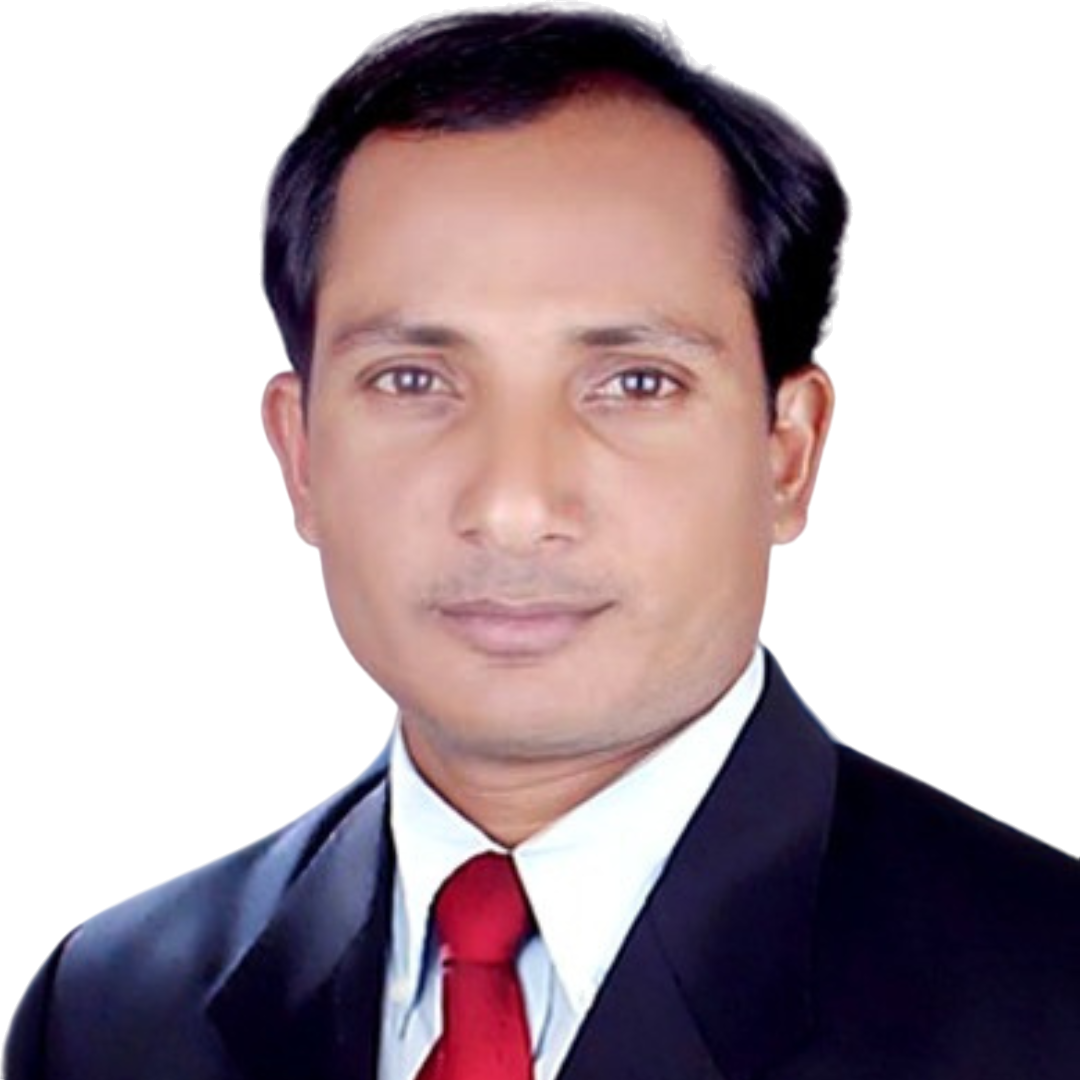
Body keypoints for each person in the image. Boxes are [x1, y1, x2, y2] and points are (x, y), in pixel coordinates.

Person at [6, 7, 1078, 1079]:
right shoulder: (107, 1015)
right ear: (300, 455)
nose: (514, 505)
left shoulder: (1049, 994)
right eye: (412, 381)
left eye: (635, 384)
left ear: (786, 453)